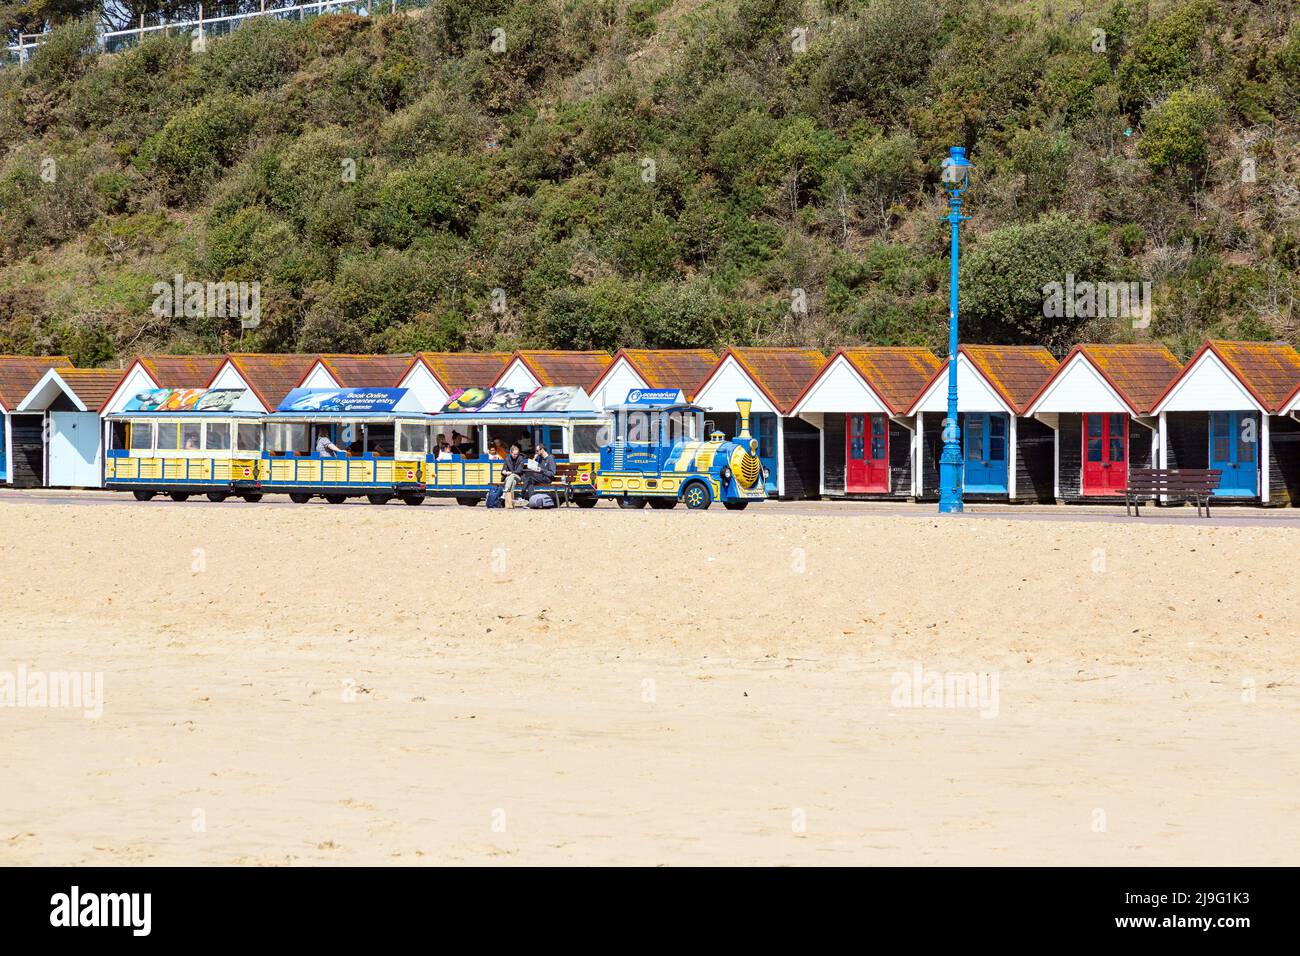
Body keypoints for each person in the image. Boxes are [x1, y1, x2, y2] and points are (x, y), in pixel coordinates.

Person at [500, 443, 528, 509]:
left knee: (512, 476)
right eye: (514, 454)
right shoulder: (507, 459)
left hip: (518, 476)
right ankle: (511, 504)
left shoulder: (521, 458)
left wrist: (510, 473)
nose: (516, 455)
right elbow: (503, 469)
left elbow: (519, 471)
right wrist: (504, 472)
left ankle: (504, 493)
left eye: (517, 454)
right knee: (513, 483)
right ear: (510, 452)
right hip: (508, 478)